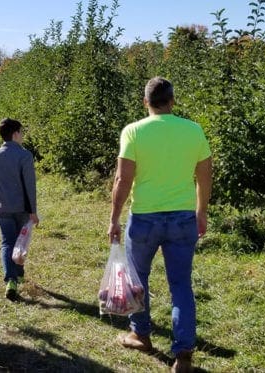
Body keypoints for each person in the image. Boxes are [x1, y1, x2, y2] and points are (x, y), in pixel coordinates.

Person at [108, 77, 212, 372]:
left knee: (137, 278)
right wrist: (201, 211)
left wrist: (114, 218)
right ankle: (183, 354)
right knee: (181, 284)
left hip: (144, 219)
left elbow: (122, 179)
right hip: (182, 218)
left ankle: (140, 335)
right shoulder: (193, 130)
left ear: (146, 103)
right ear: (172, 101)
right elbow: (205, 175)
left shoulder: (133, 131)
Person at [0, 118, 39, 301]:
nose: (22, 136)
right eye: (21, 132)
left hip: (2, 208)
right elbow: (29, 186)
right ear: (15, 134)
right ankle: (18, 274)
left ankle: (12, 280)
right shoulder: (25, 155)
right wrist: (33, 211)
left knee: (7, 242)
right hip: (22, 208)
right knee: (21, 241)